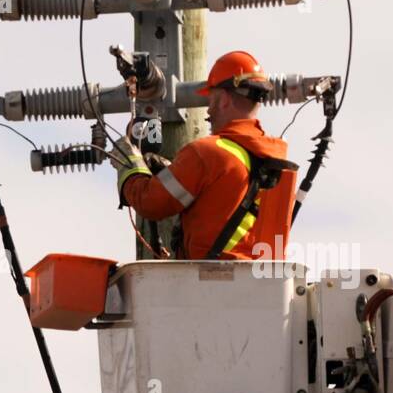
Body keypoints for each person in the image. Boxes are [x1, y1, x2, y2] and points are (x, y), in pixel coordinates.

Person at [111, 50, 297, 260]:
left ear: (224, 99)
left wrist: (129, 162)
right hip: (261, 285)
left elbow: (150, 201)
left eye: (212, 99)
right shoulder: (273, 165)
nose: (208, 110)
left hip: (208, 284)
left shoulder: (207, 153)